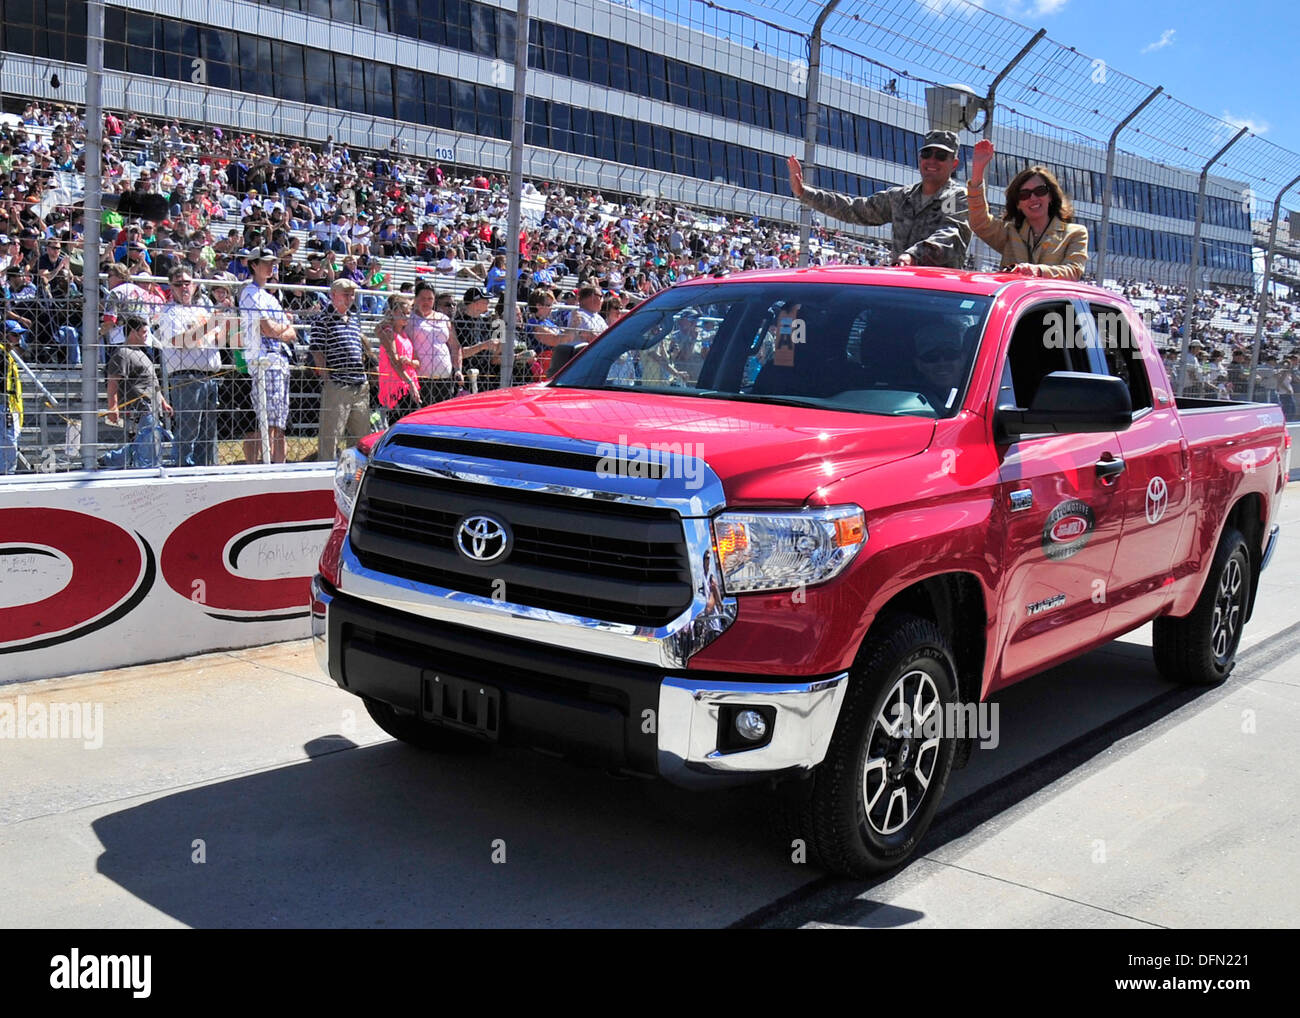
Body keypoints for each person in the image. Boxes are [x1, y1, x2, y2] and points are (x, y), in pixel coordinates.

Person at [787, 130, 970, 267]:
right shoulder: (901, 197)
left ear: (953, 164)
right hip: (902, 286)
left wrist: (913, 256)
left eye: (941, 156)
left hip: (943, 296)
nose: (932, 160)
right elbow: (854, 209)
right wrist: (804, 192)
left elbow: (949, 235)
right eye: (926, 154)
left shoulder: (954, 197)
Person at [966, 139, 1088, 279]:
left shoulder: (1075, 233)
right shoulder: (1009, 232)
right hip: (1015, 300)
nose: (1033, 198)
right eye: (1024, 194)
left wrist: (1037, 271)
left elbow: (1073, 271)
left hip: (1052, 300)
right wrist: (977, 171)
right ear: (1018, 203)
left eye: (1040, 191)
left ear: (1051, 196)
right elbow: (979, 222)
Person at [157, 266, 223, 466]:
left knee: (208, 432)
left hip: (210, 376)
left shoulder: (203, 310)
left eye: (187, 283)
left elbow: (218, 341)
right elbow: (180, 342)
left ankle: (204, 469)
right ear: (171, 287)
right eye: (178, 284)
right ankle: (181, 468)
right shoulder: (168, 312)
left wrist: (227, 324)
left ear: (194, 285)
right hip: (187, 377)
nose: (184, 287)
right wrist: (211, 324)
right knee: (188, 430)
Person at [238, 246, 296, 463]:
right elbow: (270, 329)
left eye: (273, 263)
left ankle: (276, 466)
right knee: (266, 422)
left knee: (279, 423)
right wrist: (283, 327)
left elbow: (290, 333)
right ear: (254, 265)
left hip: (278, 359)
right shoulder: (249, 293)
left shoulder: (270, 297)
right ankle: (265, 465)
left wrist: (281, 328)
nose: (272, 266)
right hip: (262, 360)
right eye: (266, 262)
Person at [310, 278, 372, 461]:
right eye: (346, 293)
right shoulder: (323, 319)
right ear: (333, 295)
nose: (350, 297)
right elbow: (317, 350)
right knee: (331, 436)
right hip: (338, 384)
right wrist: (327, 378)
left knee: (361, 436)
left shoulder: (353, 319)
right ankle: (325, 471)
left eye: (352, 293)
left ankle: (355, 470)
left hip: (359, 385)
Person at [106, 315, 173, 464]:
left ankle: (110, 459)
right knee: (147, 449)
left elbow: (153, 383)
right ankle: (142, 470)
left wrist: (163, 402)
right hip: (141, 409)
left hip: (153, 407)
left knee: (144, 442)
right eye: (143, 332)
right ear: (132, 332)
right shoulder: (122, 353)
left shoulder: (143, 354)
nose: (146, 335)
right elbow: (113, 382)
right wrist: (113, 406)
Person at [407, 281, 463, 404]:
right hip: (420, 378)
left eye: (430, 298)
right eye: (423, 298)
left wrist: (458, 369)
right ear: (415, 299)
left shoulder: (444, 319)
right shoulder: (408, 319)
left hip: (445, 379)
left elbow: (455, 346)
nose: (426, 302)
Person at [375, 294, 422, 424]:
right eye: (402, 313)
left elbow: (417, 362)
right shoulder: (389, 333)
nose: (406, 317)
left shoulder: (405, 334)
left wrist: (409, 362)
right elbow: (394, 361)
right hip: (397, 385)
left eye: (408, 313)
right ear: (393, 313)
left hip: (409, 382)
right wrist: (409, 381)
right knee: (399, 422)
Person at [911, 321, 968, 413]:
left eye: (950, 354)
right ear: (919, 364)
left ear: (963, 359)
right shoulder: (910, 404)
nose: (942, 363)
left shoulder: (983, 394)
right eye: (931, 357)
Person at [1, 323, 21, 473]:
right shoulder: (2, 355)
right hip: (3, 403)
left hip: (7, 402)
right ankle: (7, 474)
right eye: (14, 335)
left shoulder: (7, 354)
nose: (18, 339)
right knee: (8, 442)